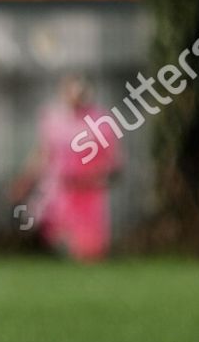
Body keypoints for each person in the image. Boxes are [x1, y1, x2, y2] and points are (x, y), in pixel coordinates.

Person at [11, 74, 121, 261]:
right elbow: (43, 153)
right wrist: (25, 181)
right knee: (48, 239)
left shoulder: (101, 122)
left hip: (88, 199)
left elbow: (114, 166)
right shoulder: (52, 119)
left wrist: (88, 179)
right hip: (57, 196)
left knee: (88, 253)